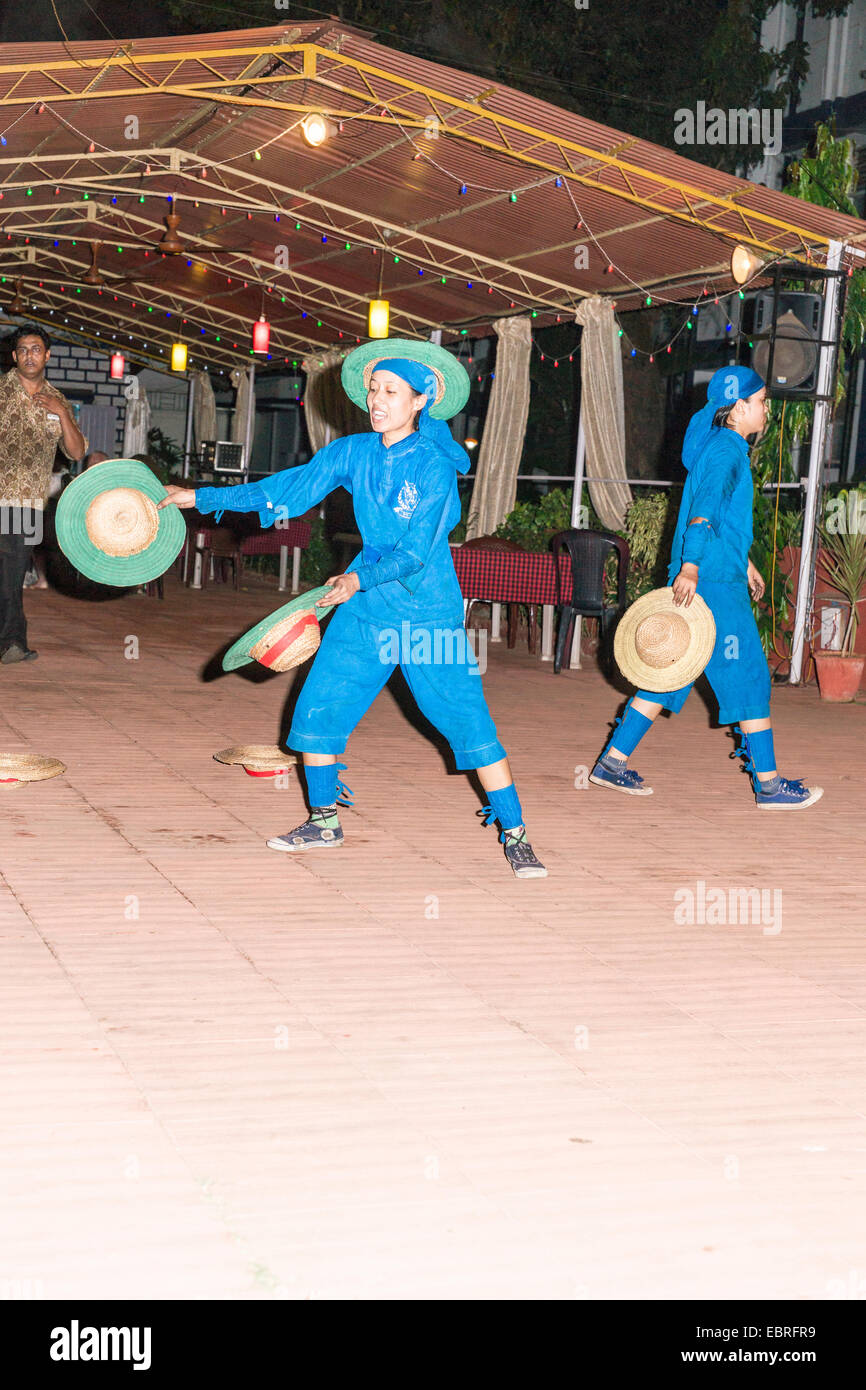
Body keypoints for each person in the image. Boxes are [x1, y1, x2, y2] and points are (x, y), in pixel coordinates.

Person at [161, 342, 547, 878]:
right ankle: (324, 822)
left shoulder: (435, 467)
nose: (377, 400)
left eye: (391, 392)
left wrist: (355, 578)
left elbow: (415, 551)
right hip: (366, 610)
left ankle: (516, 832)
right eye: (373, 389)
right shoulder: (353, 451)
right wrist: (199, 499)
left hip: (425, 616)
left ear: (420, 401)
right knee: (317, 711)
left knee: (468, 723)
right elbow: (288, 488)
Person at [590, 365, 822, 809]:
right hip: (711, 585)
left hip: (714, 573)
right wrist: (693, 569)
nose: (766, 409)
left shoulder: (720, 446)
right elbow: (703, 514)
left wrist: (744, 563)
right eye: (761, 402)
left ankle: (611, 764)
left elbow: (721, 520)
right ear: (739, 408)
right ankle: (769, 785)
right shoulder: (728, 450)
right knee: (749, 674)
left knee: (671, 672)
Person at [0, 325, 87, 663]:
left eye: (36, 349)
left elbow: (77, 451)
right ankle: (12, 641)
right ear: (14, 356)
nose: (29, 355)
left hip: (27, 501)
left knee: (12, 570)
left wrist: (62, 413)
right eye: (23, 349)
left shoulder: (57, 399)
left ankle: (12, 641)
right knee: (7, 572)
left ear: (47, 355)